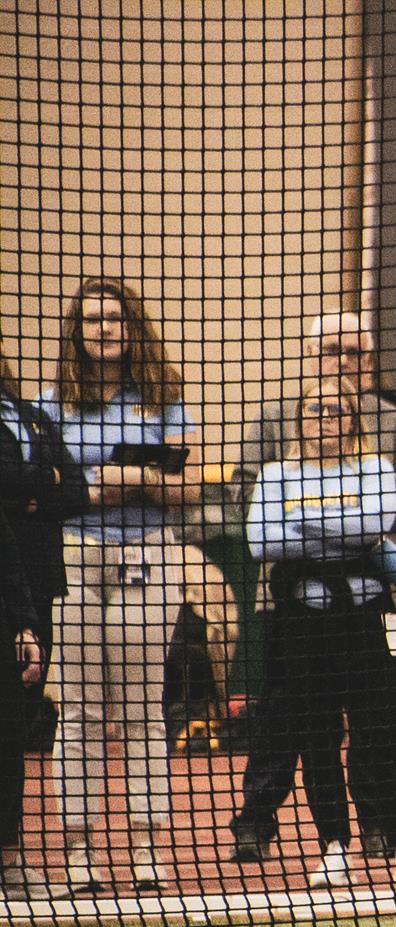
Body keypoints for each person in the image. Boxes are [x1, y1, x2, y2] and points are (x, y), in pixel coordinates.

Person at [227, 311, 396, 863]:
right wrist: (343, 518)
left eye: (355, 353)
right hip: (290, 600)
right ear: (309, 356)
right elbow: (247, 499)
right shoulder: (275, 418)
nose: (344, 362)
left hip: (371, 594)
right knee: (284, 716)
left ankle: (380, 824)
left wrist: (352, 518)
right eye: (332, 351)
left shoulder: (390, 422)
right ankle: (257, 820)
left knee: (376, 719)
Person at [38, 279, 211, 892]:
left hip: (147, 559)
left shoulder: (164, 400)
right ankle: (79, 853)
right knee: (79, 713)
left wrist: (128, 478)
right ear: (77, 331)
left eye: (115, 318)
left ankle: (145, 848)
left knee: (143, 710)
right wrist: (101, 486)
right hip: (71, 561)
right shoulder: (51, 405)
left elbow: (190, 487)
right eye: (92, 320)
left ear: (133, 327)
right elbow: (44, 489)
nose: (105, 328)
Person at [0, 347, 87, 899]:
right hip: (5, 589)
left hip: (35, 590)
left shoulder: (31, 414)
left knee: (16, 729)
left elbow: (74, 489)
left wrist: (31, 489)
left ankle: (9, 859)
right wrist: (39, 481)